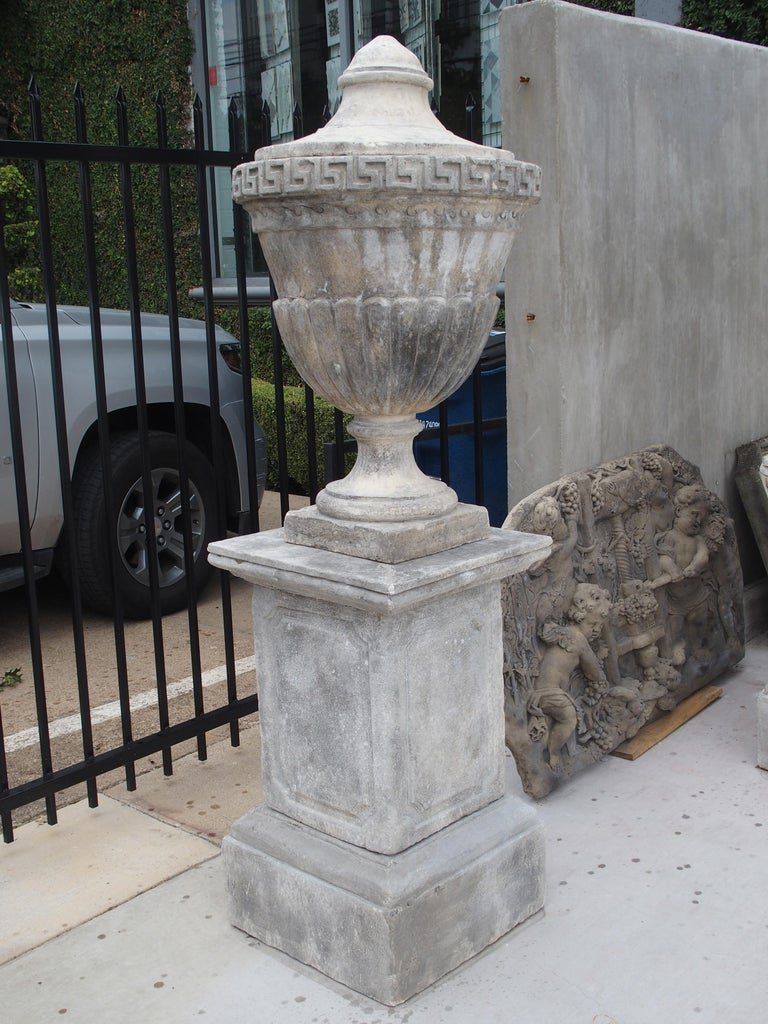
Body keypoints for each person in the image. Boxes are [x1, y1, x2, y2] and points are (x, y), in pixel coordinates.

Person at [528, 583, 611, 772]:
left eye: (598, 626)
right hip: (549, 693)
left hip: (543, 691)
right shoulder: (579, 641)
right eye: (592, 625)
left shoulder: (564, 632)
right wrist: (600, 662)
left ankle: (557, 746)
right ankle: (554, 753)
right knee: (569, 718)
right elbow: (595, 673)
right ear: (580, 618)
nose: (596, 631)